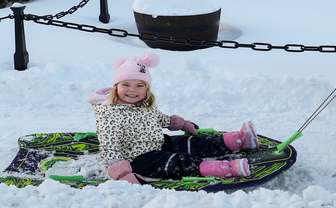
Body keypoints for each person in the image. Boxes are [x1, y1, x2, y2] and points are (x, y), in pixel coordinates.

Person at [88, 51, 259, 184]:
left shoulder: (143, 104)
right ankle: (226, 169)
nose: (132, 90)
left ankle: (239, 140)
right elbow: (108, 146)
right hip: (138, 159)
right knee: (179, 162)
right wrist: (121, 172)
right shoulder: (110, 113)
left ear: (147, 89)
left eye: (139, 85)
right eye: (126, 84)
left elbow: (159, 119)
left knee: (190, 144)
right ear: (116, 87)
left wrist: (180, 124)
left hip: (158, 143)